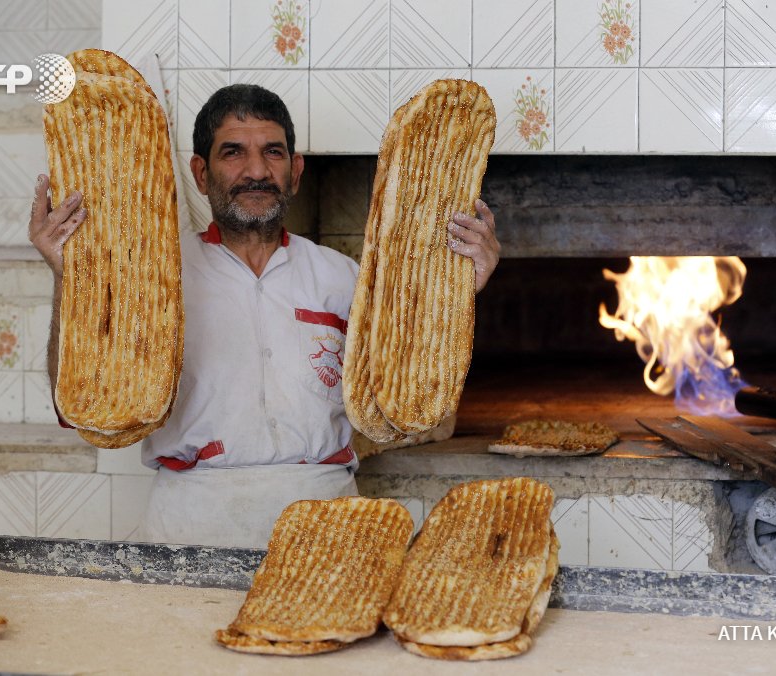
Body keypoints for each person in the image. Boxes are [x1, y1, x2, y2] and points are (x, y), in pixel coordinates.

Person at [28, 84, 501, 548]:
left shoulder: (344, 278)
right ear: (200, 172)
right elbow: (76, 406)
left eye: (273, 152)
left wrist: (455, 295)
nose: (256, 170)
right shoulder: (151, 278)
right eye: (233, 152)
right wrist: (69, 279)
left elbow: (411, 405)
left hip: (328, 520)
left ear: (295, 171)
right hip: (192, 522)